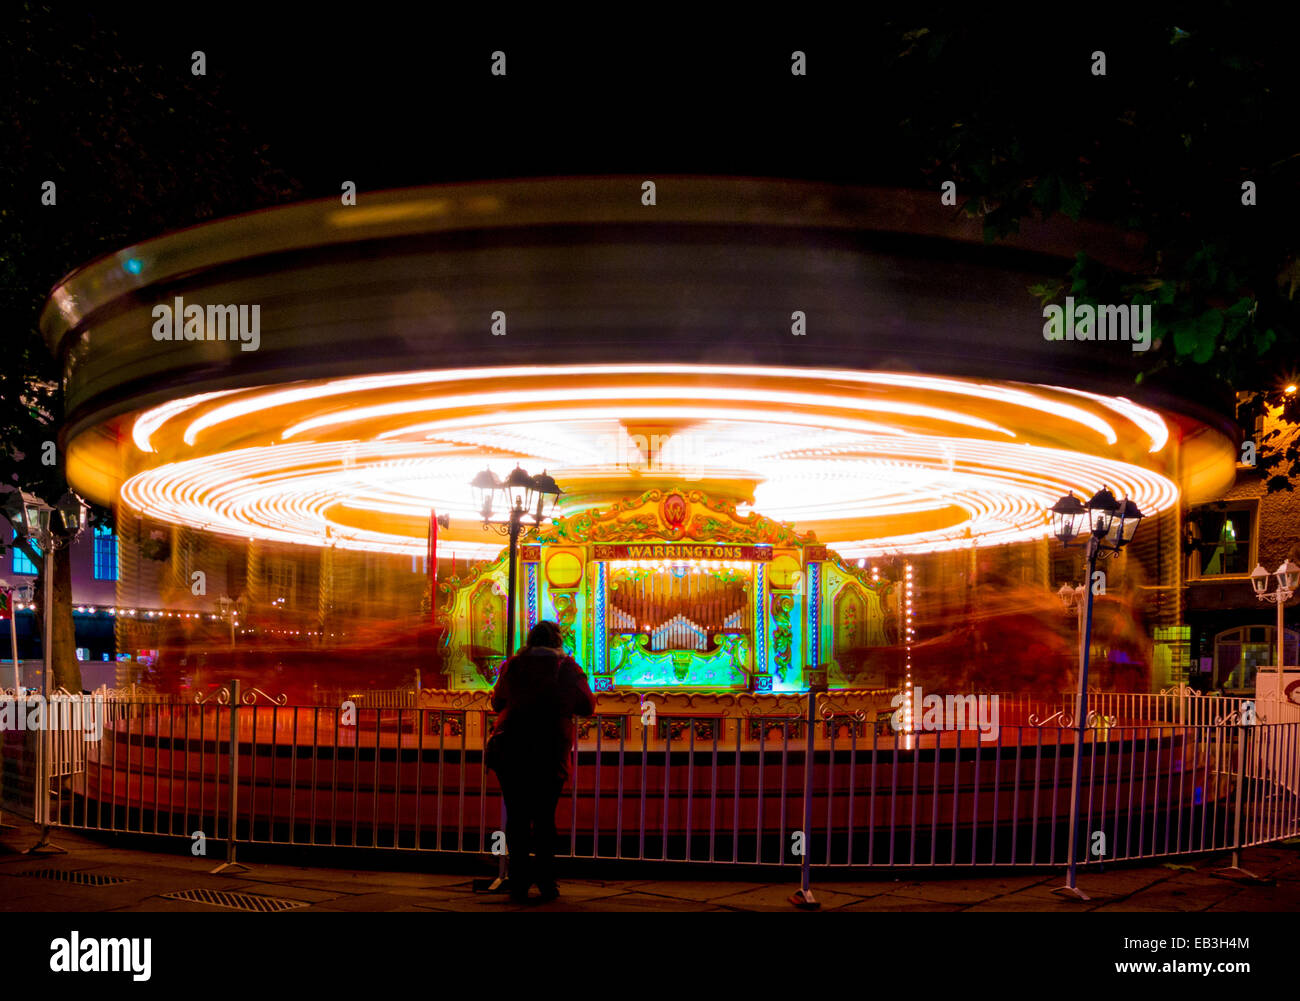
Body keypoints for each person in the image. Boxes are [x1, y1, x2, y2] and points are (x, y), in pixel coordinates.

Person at [488, 620, 595, 904]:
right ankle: (547, 882)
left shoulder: (514, 666)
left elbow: (497, 703)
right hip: (550, 749)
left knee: (517, 816)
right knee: (545, 817)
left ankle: (519, 881)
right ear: (558, 640)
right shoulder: (567, 668)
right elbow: (587, 706)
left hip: (512, 749)